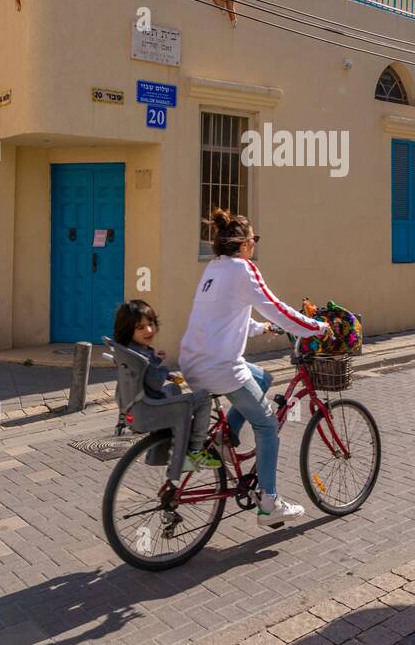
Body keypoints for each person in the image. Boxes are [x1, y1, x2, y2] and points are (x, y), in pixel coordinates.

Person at [178, 208, 332, 528]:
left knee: (263, 377)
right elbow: (278, 308)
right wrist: (315, 327)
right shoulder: (243, 269)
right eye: (254, 240)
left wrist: (261, 330)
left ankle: (226, 435)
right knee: (267, 426)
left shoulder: (214, 269)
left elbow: (222, 318)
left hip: (193, 361)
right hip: (220, 367)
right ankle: (269, 502)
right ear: (245, 244)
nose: (254, 246)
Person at [113, 299, 220, 471]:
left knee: (174, 389)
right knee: (203, 398)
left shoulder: (129, 350)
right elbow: (154, 381)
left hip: (136, 406)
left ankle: (171, 443)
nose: (149, 330)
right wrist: (164, 369)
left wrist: (156, 360)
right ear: (128, 330)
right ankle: (195, 450)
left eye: (151, 323)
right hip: (152, 407)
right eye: (140, 328)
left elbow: (145, 373)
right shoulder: (141, 354)